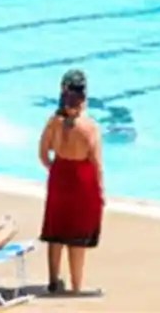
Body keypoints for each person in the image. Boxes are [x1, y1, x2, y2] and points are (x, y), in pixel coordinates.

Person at [39, 70, 104, 296]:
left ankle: (53, 279)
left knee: (55, 231)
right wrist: (101, 191)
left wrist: (55, 170)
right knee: (77, 235)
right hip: (82, 181)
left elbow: (42, 154)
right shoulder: (90, 127)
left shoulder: (53, 122)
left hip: (60, 175)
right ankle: (76, 286)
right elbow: (96, 164)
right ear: (84, 98)